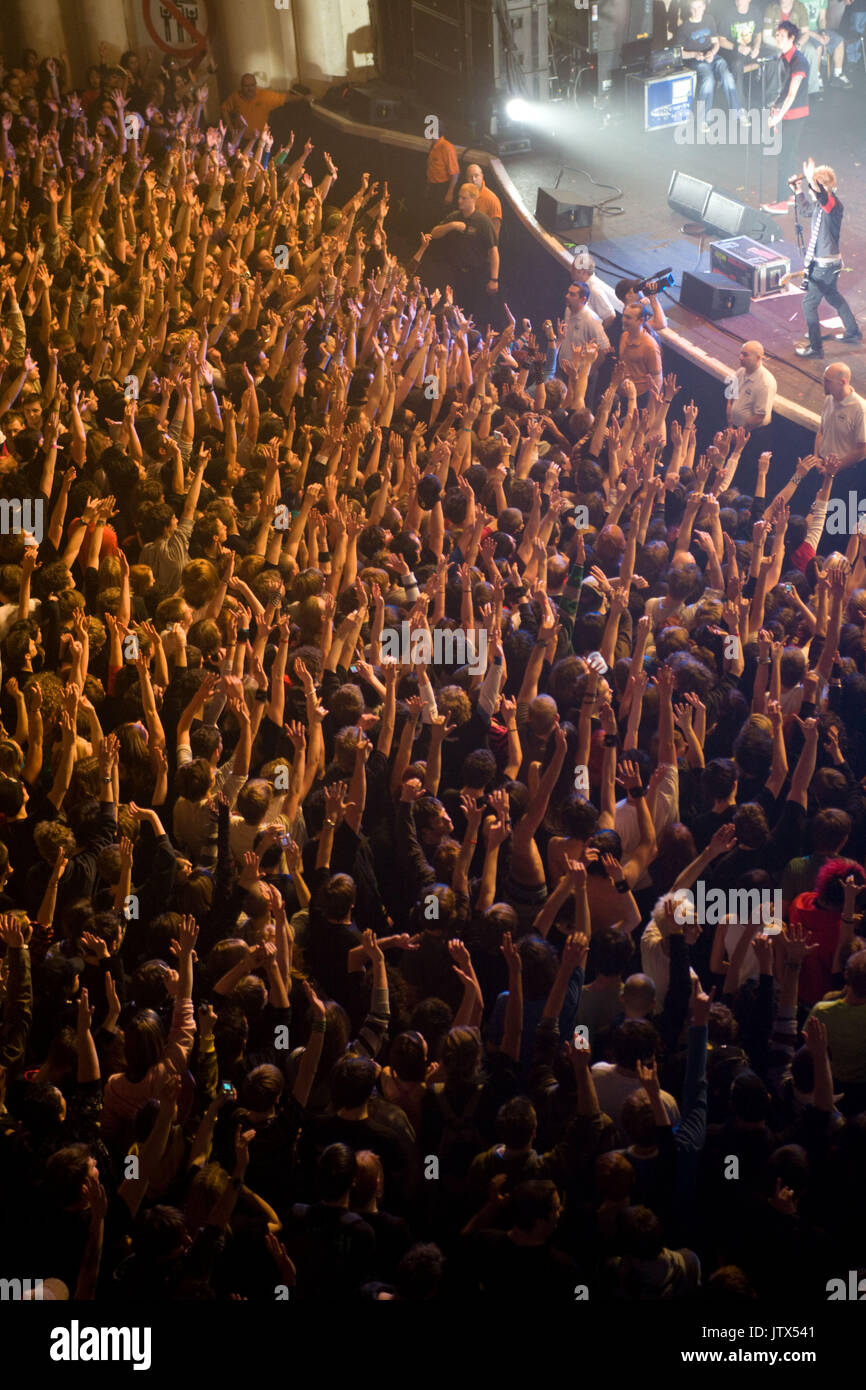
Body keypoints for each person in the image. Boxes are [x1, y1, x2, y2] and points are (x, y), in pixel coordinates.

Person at [790, 160, 861, 358]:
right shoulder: (821, 206)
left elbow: (821, 196)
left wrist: (812, 179)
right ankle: (852, 331)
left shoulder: (833, 205)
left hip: (825, 266)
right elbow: (804, 210)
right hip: (826, 264)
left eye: (814, 185)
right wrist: (798, 190)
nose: (812, 190)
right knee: (832, 296)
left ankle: (815, 348)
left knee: (808, 304)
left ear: (824, 186)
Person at [426, 182, 500, 330]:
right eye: (459, 197)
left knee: (473, 313)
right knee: (455, 309)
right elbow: (433, 233)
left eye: (464, 198)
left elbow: (494, 252)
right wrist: (452, 226)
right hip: (456, 274)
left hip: (477, 276)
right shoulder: (455, 216)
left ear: (474, 199)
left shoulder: (483, 222)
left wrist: (494, 279)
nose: (459, 201)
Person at [762, 21, 811, 211]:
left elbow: (792, 94)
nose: (778, 38)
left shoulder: (799, 61)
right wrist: (775, 107)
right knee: (788, 157)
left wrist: (778, 117)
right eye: (777, 35)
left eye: (782, 35)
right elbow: (783, 91)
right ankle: (791, 195)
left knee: (785, 157)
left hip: (796, 114)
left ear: (792, 38)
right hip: (788, 113)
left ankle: (782, 202)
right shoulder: (784, 58)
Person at [676, 0, 743, 126]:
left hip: (712, 57)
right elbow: (679, 53)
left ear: (704, 7)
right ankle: (703, 119)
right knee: (708, 79)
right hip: (695, 60)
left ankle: (737, 112)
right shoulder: (684, 27)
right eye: (693, 8)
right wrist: (694, 54)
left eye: (699, 7)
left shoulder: (709, 19)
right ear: (689, 8)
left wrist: (712, 52)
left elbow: (716, 42)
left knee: (727, 77)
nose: (697, 11)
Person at [814, 362, 866, 482]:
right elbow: (821, 431)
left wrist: (834, 469)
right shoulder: (829, 399)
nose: (824, 384)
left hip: (843, 473)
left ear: (843, 382)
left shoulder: (860, 409)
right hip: (822, 465)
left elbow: (861, 450)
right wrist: (816, 457)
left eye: (828, 381)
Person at [220, 72, 286, 134]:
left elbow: (285, 98)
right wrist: (230, 128)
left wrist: (296, 96)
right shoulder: (235, 97)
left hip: (260, 139)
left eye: (252, 85)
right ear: (241, 86)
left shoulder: (264, 96)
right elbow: (224, 109)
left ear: (255, 85)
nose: (250, 89)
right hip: (241, 140)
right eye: (246, 86)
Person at [426, 128, 460, 213]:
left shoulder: (447, 148)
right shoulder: (433, 146)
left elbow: (455, 173)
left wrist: (449, 194)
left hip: (443, 188)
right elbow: (432, 168)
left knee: (439, 215)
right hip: (433, 186)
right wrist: (428, 186)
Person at [465, 163, 502, 236]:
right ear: (466, 179)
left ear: (482, 176)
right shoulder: (465, 195)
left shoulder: (492, 199)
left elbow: (495, 233)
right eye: (470, 177)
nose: (473, 180)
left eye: (476, 176)